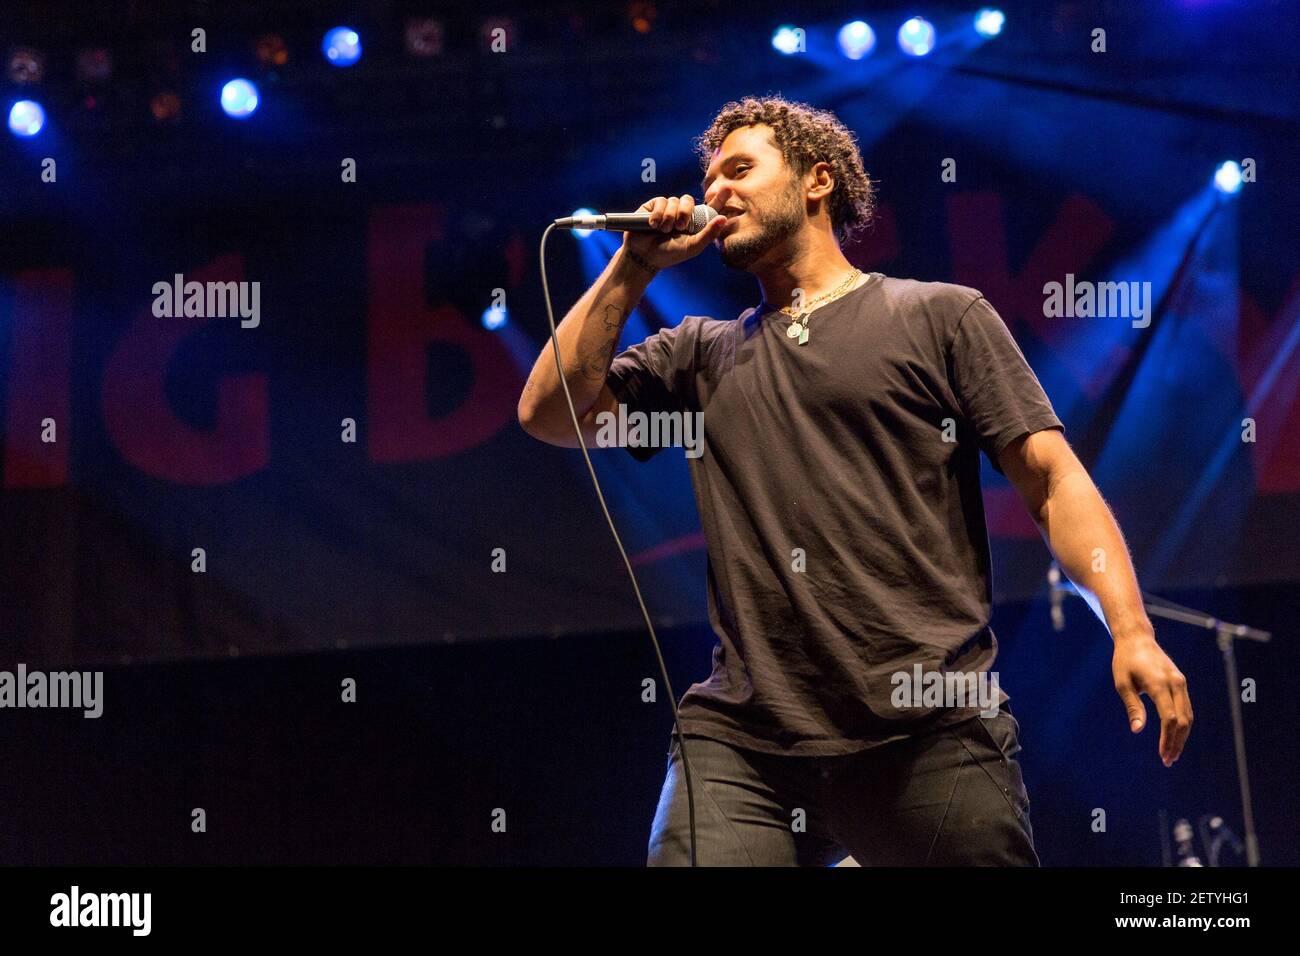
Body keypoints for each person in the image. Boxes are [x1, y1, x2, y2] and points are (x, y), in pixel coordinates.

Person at [517, 95, 1192, 866]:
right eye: (709, 180)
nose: (716, 193)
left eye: (741, 169)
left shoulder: (938, 318)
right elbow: (550, 413)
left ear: (817, 181)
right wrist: (632, 266)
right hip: (745, 741)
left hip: (929, 725)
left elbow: (1050, 479)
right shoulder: (699, 353)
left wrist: (1130, 628)